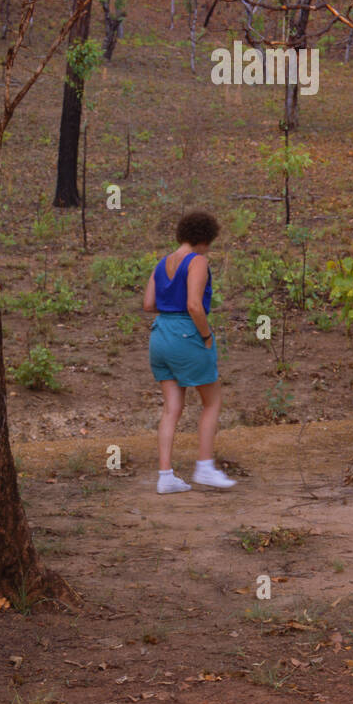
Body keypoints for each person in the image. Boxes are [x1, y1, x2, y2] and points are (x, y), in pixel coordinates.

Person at [143, 210, 236, 494]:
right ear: (204, 238)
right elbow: (195, 305)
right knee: (212, 402)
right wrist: (206, 335)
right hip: (187, 334)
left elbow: (148, 304)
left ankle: (165, 476)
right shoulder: (197, 261)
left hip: (160, 336)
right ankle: (205, 467)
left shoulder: (162, 263)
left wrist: (171, 311)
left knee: (172, 408)